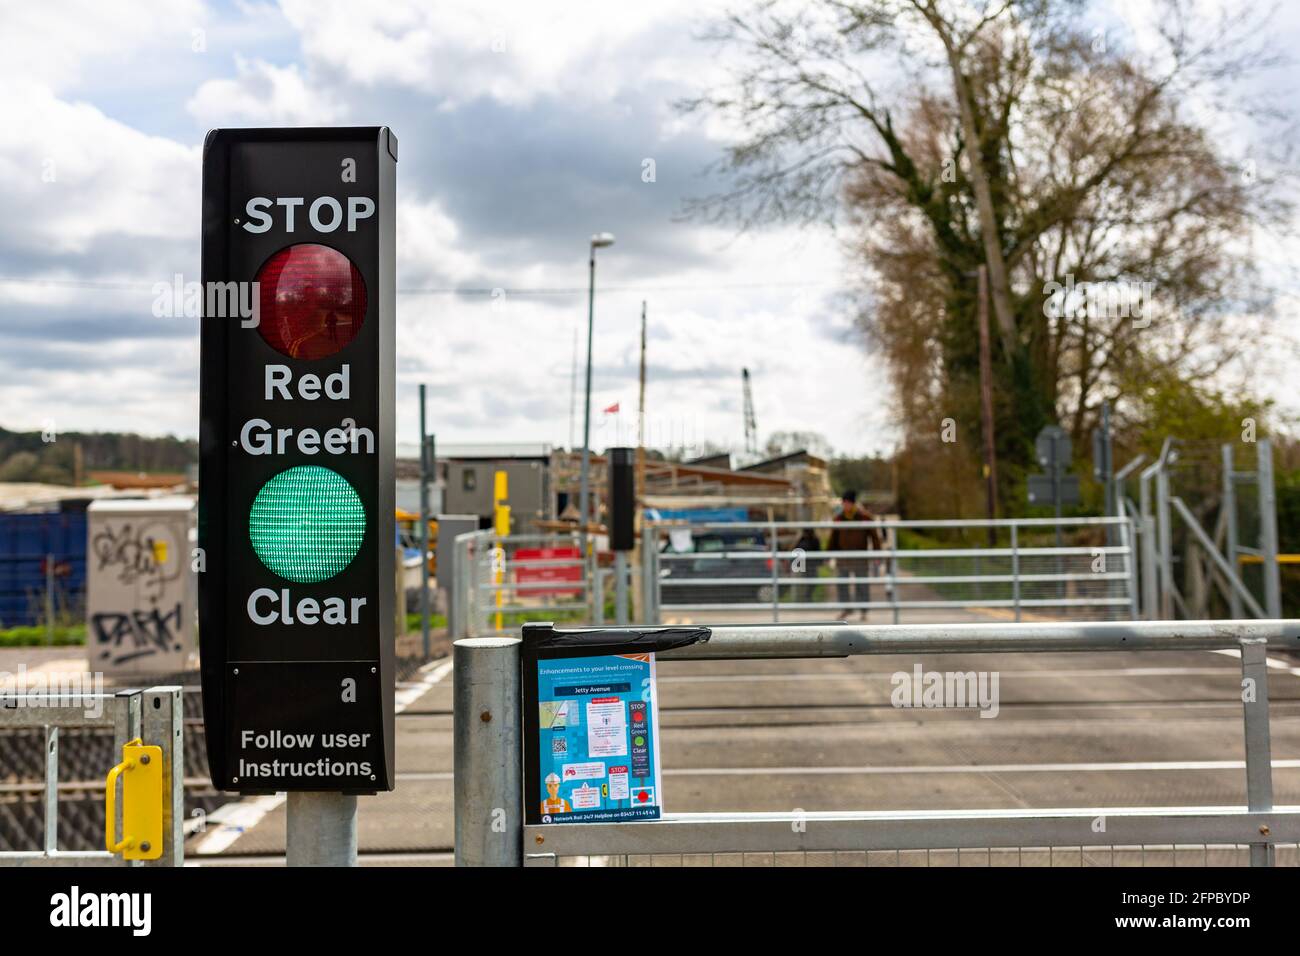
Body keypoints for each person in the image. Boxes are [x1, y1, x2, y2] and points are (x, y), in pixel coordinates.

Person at [827, 490, 883, 620]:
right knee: (842, 583)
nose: (845, 505)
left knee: (862, 584)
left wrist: (877, 554)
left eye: (847, 503)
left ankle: (863, 611)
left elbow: (874, 537)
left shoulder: (865, 517)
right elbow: (833, 539)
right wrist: (828, 555)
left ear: (853, 503)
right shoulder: (839, 518)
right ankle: (846, 609)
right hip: (843, 557)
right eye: (844, 503)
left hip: (860, 556)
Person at [792, 527, 822, 604]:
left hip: (811, 565)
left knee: (812, 581)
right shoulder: (801, 540)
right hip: (802, 565)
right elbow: (796, 551)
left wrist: (819, 562)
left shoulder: (814, 540)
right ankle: (802, 598)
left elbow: (818, 552)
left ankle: (807, 596)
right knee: (803, 582)